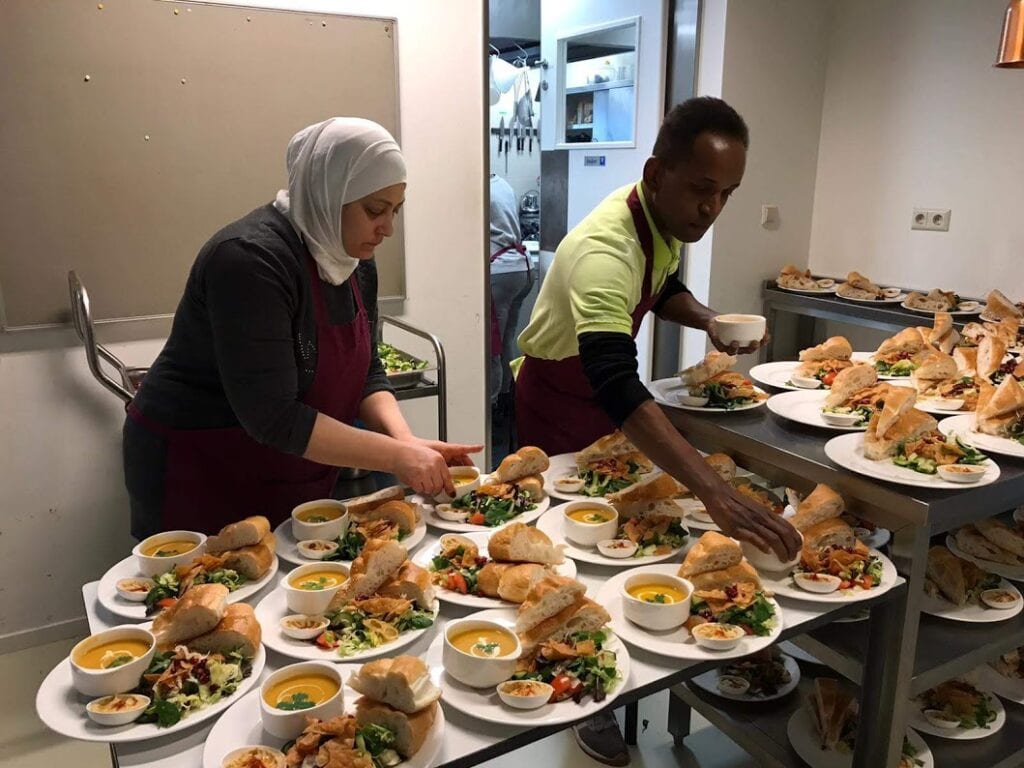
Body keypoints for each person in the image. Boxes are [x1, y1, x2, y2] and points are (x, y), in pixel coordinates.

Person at [515, 97, 801, 765]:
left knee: (633, 545)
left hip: (609, 403)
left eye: (727, 194)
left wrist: (710, 323)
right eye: (703, 190)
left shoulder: (659, 220)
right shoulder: (605, 248)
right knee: (576, 557)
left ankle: (645, 654)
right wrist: (713, 491)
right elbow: (617, 382)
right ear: (656, 173)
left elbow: (663, 282)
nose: (712, 209)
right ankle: (586, 694)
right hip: (560, 404)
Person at [123, 117, 480, 539]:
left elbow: (367, 371)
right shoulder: (249, 261)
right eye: (375, 211)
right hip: (202, 462)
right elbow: (273, 415)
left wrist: (406, 442)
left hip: (279, 463)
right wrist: (396, 459)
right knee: (201, 590)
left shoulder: (352, 260)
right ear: (329, 195)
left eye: (395, 211)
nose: (388, 228)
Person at [488, 173, 534, 463]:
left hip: (499, 270)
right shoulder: (503, 183)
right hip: (522, 268)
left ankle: (491, 408)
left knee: (490, 349)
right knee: (507, 342)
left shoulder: (481, 187)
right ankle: (507, 401)